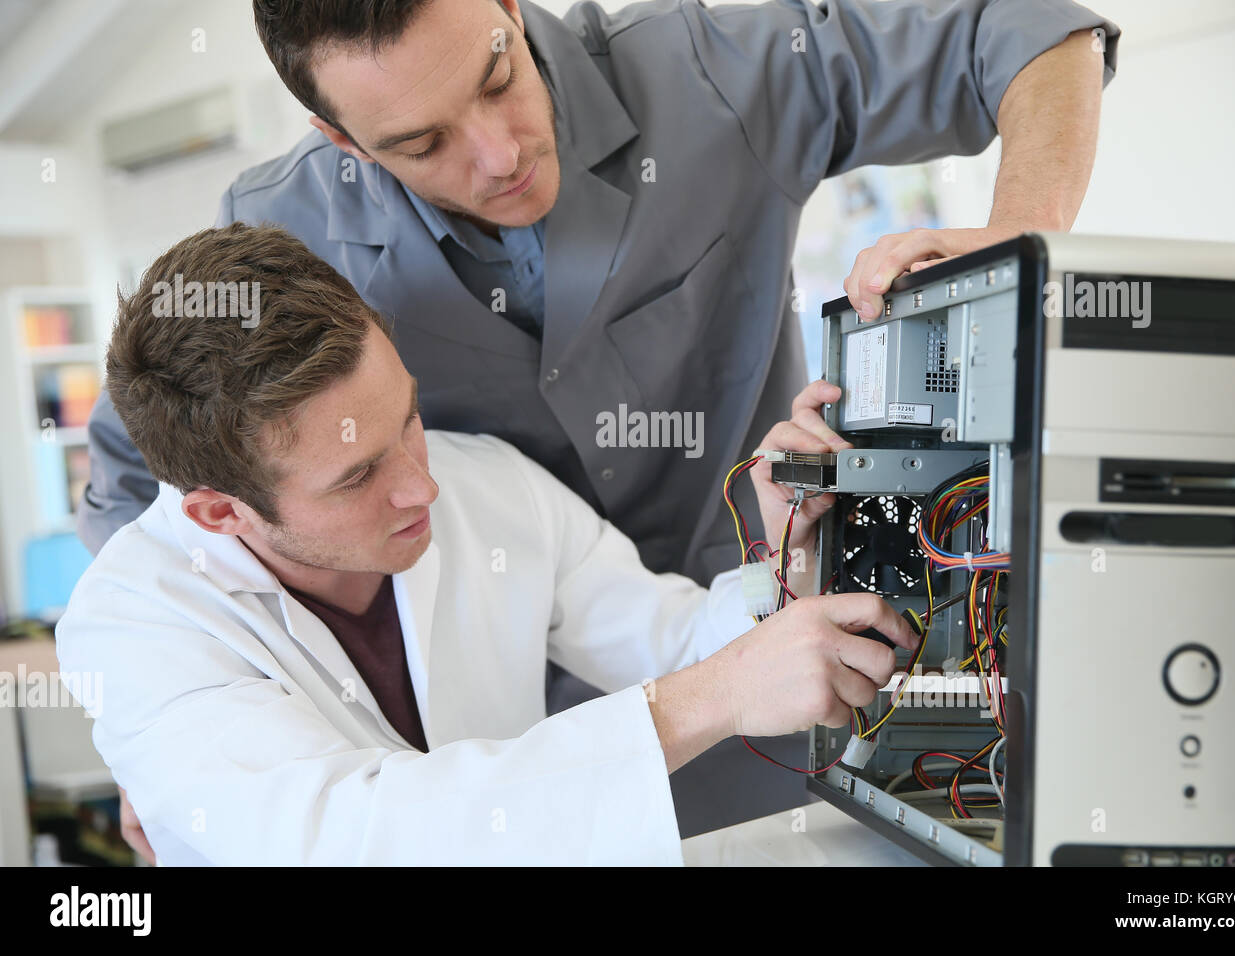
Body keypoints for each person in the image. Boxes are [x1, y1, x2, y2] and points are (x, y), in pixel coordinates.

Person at [77, 0, 1119, 835]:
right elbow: (145, 470)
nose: (495, 156)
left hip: (754, 647)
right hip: (566, 715)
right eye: (420, 141)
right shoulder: (284, 239)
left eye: (497, 77)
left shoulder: (712, 76)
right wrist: (166, 734)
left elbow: (1024, 25)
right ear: (337, 135)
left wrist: (1011, 251)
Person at [55, 222, 916, 864]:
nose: (422, 485)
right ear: (219, 512)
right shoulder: (135, 627)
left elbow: (678, 643)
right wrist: (708, 698)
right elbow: (357, 840)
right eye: (356, 477)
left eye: (409, 419)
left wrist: (786, 547)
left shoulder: (486, 486)